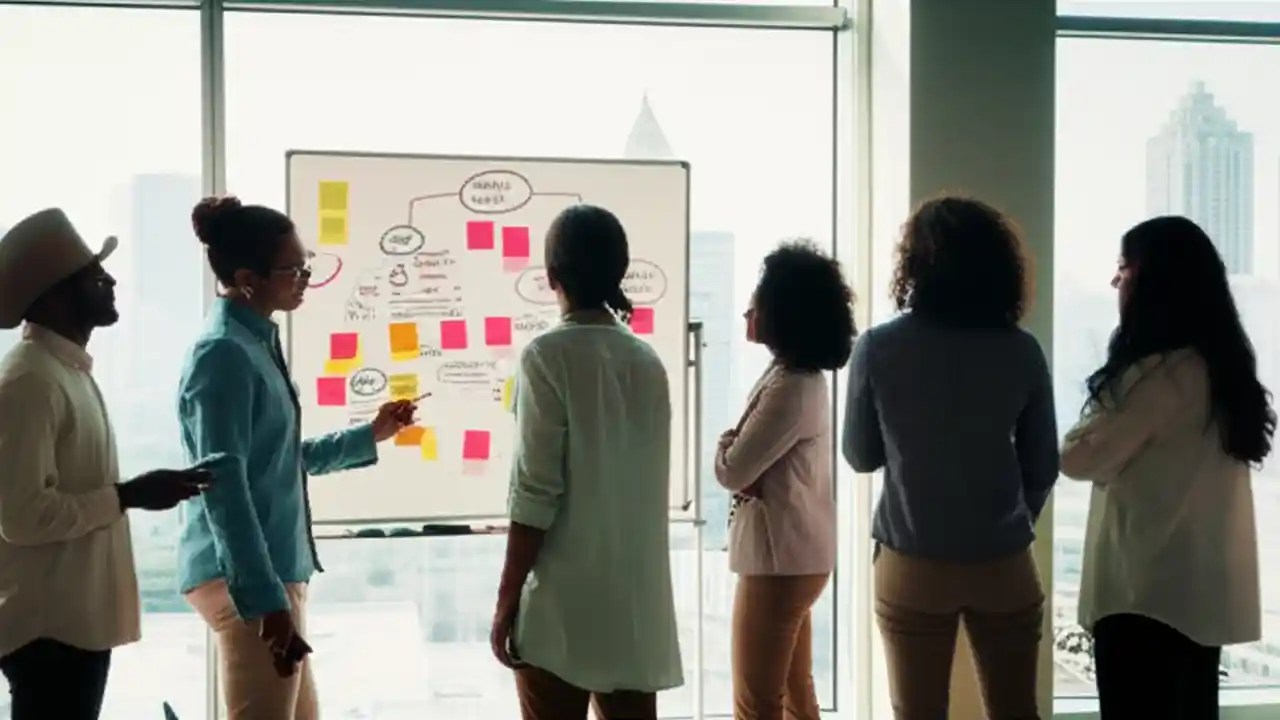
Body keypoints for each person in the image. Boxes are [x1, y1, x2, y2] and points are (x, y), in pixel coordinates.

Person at [177, 196, 416, 720]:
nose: (305, 277)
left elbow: (278, 459)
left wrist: (372, 434)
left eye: (306, 265)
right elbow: (225, 486)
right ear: (247, 278)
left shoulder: (254, 344)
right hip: (248, 582)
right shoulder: (223, 354)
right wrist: (266, 604)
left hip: (271, 573)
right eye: (293, 268)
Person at [843, 196, 1058, 719]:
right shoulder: (1021, 350)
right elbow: (1043, 465)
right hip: (1004, 560)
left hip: (912, 560)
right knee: (1015, 710)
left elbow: (860, 456)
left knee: (917, 712)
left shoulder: (878, 348)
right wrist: (1014, 519)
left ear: (913, 263)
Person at [0, 208, 212, 720]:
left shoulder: (62, 372)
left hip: (69, 624)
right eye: (95, 276)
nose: (111, 281)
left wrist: (131, 494)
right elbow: (23, 516)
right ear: (53, 295)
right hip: (48, 629)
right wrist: (128, 496)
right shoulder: (31, 382)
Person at [1062, 216, 1270, 720]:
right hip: (1197, 596)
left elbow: (1078, 458)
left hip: (1145, 595)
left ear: (1152, 281)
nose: (1115, 282)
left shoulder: (1155, 377)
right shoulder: (1218, 369)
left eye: (1123, 268)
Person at [490, 204, 682, 720]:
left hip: (561, 609)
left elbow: (534, 493)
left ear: (552, 276)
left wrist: (505, 603)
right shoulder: (647, 362)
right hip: (633, 610)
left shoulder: (545, 357)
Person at [715, 241, 854, 720]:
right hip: (795, 558)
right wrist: (741, 462)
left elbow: (733, 469)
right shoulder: (795, 377)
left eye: (759, 299)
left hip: (779, 564)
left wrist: (726, 446)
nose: (748, 310)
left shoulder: (792, 386)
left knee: (756, 703)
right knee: (796, 695)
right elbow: (745, 471)